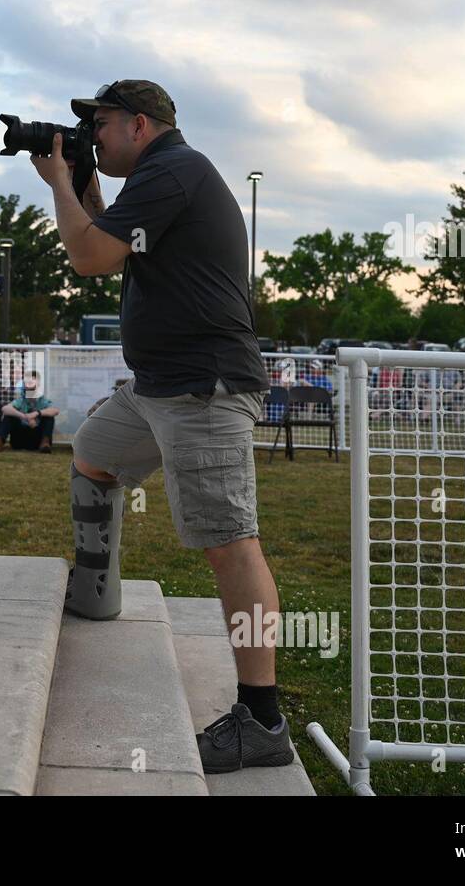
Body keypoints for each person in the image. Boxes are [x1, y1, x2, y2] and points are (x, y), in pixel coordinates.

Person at [32, 79, 289, 773]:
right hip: (158, 389)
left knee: (231, 545)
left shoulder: (174, 169)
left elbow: (86, 256)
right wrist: (82, 179)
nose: (94, 135)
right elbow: (105, 240)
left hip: (200, 389)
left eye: (101, 124)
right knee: (92, 452)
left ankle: (262, 719)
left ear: (140, 124)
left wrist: (59, 180)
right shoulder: (163, 175)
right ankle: (96, 591)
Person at [0, 371, 59, 453]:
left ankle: (45, 444)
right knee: (9, 416)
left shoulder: (43, 401)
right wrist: (24, 416)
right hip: (19, 440)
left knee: (49, 418)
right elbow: (5, 409)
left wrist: (36, 413)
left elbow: (55, 411)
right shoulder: (20, 400)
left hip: (37, 440)